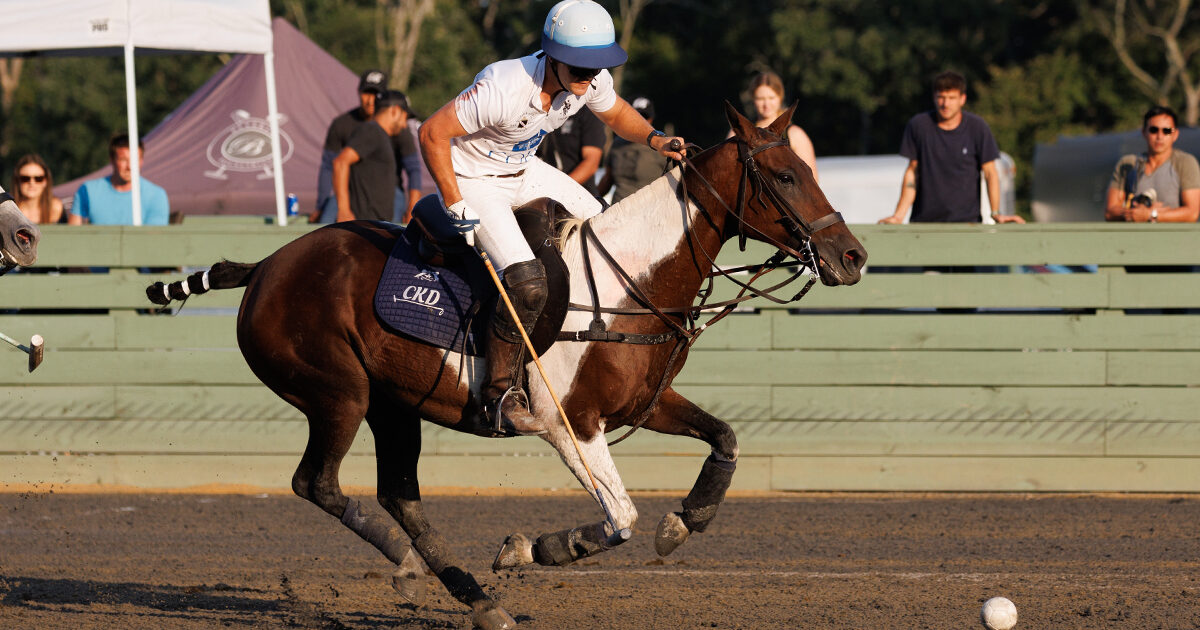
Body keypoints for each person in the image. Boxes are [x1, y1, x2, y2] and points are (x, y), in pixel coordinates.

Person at [418, 0, 685, 434]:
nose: (589, 75)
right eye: (580, 66)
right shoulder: (503, 85)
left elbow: (616, 113)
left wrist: (655, 138)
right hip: (475, 179)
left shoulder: (591, 81)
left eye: (596, 66)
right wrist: (454, 200)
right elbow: (431, 132)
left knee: (600, 227)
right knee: (524, 279)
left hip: (522, 171)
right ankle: (498, 394)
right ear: (554, 57)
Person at [879, 71, 1024, 225]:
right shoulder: (919, 126)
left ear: (962, 99)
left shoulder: (977, 128)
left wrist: (996, 213)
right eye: (941, 97)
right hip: (924, 224)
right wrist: (898, 216)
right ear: (934, 97)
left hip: (967, 224)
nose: (945, 104)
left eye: (951, 98)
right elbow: (912, 173)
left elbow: (990, 173)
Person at [1105, 105, 1200, 223]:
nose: (1160, 136)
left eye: (1166, 131)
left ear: (1175, 134)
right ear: (1144, 132)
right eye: (1154, 130)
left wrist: (1151, 215)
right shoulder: (1128, 164)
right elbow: (1110, 212)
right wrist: (1134, 213)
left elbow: (1192, 213)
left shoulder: (1185, 163)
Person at [315, 69, 388, 223]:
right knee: (324, 226)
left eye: (376, 95)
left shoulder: (393, 126)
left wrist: (411, 205)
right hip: (350, 190)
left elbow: (413, 167)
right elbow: (328, 166)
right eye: (366, 93)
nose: (371, 100)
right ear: (358, 92)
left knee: (392, 230)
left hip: (386, 190)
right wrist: (321, 205)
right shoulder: (341, 124)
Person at [332, 90, 411, 222]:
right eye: (405, 117)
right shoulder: (371, 131)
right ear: (395, 111)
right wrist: (343, 209)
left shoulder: (379, 134)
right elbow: (340, 162)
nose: (404, 125)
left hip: (375, 224)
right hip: (365, 224)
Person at [69, 133, 169, 225]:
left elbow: (155, 239)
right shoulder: (87, 190)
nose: (129, 166)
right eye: (123, 160)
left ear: (142, 161)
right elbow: (73, 235)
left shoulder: (156, 195)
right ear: (112, 160)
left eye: (134, 159)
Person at [737, 71, 818, 180]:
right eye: (760, 99)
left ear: (780, 97)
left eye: (771, 98)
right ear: (753, 99)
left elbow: (812, 179)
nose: (766, 104)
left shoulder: (795, 134)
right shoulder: (738, 132)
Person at [598, 95, 667, 203]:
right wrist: (590, 199)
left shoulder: (663, 146)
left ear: (652, 119)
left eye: (645, 117)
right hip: (618, 210)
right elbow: (608, 179)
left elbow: (677, 181)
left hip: (650, 211)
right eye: (637, 115)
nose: (641, 121)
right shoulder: (617, 144)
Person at [537, 105, 605, 197]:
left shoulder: (588, 112)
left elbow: (591, 162)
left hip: (578, 194)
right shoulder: (542, 110)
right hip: (541, 191)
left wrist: (558, 189)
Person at [11, 154, 63, 224]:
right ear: (17, 181)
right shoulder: (7, 210)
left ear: (45, 181)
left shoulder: (57, 208)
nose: (32, 183)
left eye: (38, 179)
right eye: (25, 178)